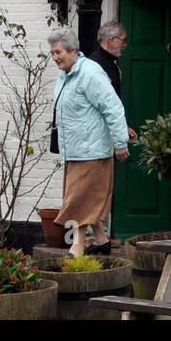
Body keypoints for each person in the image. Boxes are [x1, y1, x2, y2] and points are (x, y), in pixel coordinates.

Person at [50, 29, 129, 258]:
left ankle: (78, 245)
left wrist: (120, 141)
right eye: (52, 53)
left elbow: (112, 106)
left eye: (58, 52)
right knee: (86, 195)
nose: (54, 57)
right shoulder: (65, 74)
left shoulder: (91, 74)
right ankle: (102, 240)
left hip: (91, 150)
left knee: (80, 197)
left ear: (73, 50)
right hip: (74, 149)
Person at [88, 20, 137, 143]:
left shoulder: (112, 67)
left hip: (102, 138)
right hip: (94, 139)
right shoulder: (93, 66)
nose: (125, 45)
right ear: (111, 39)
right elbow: (105, 104)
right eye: (123, 40)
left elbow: (113, 104)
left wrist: (122, 128)